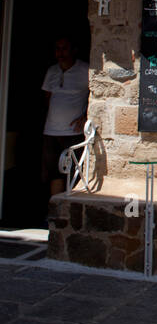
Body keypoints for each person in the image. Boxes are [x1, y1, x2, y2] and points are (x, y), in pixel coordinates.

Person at [41, 36, 89, 205]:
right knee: (54, 174)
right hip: (51, 131)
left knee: (73, 174)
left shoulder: (85, 70)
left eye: (64, 48)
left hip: (72, 133)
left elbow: (96, 94)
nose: (60, 53)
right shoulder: (52, 71)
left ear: (73, 50)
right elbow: (48, 97)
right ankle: (54, 214)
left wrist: (86, 117)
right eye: (57, 49)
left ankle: (70, 214)